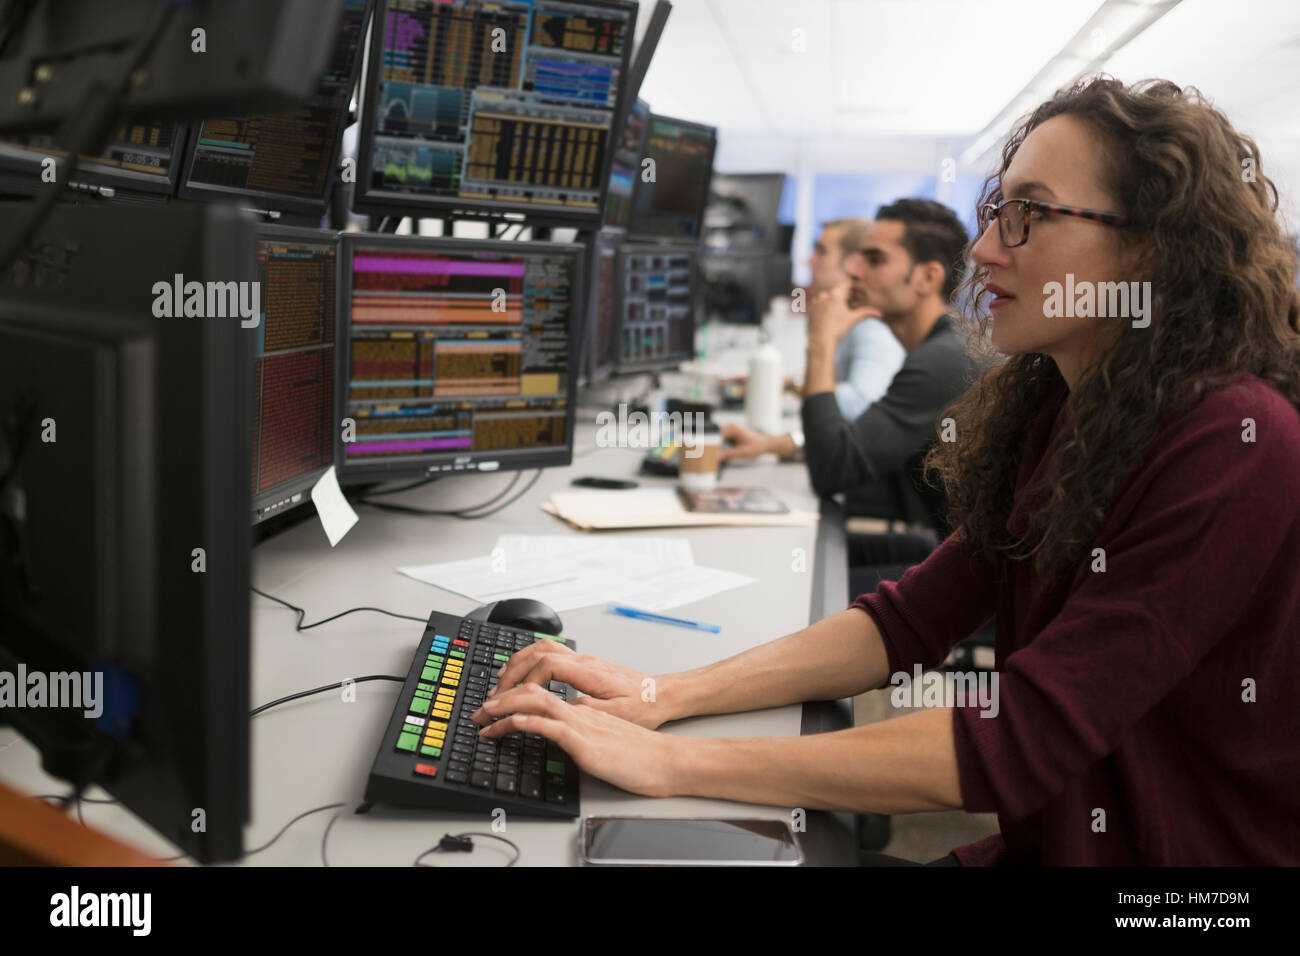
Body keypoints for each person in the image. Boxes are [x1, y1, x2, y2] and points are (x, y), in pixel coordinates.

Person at [472, 76, 1300, 865]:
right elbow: (907, 624)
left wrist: (673, 765)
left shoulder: (1234, 442)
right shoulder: (1069, 408)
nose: (984, 249)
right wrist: (661, 695)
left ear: (1146, 251)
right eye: (995, 211)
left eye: (1030, 216)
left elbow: (1020, 737)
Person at [724, 199, 982, 591]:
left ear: (927, 279)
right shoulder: (941, 348)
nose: (854, 270)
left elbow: (831, 472)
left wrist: (821, 342)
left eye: (874, 260)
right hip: (957, 554)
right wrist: (783, 445)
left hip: (984, 583)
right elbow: (857, 445)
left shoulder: (942, 363)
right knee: (791, 565)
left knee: (791, 589)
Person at [719, 218, 904, 416]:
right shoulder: (844, 316)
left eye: (821, 251)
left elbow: (860, 403)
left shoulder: (871, 326)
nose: (810, 261)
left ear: (853, 263)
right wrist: (780, 384)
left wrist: (819, 340)